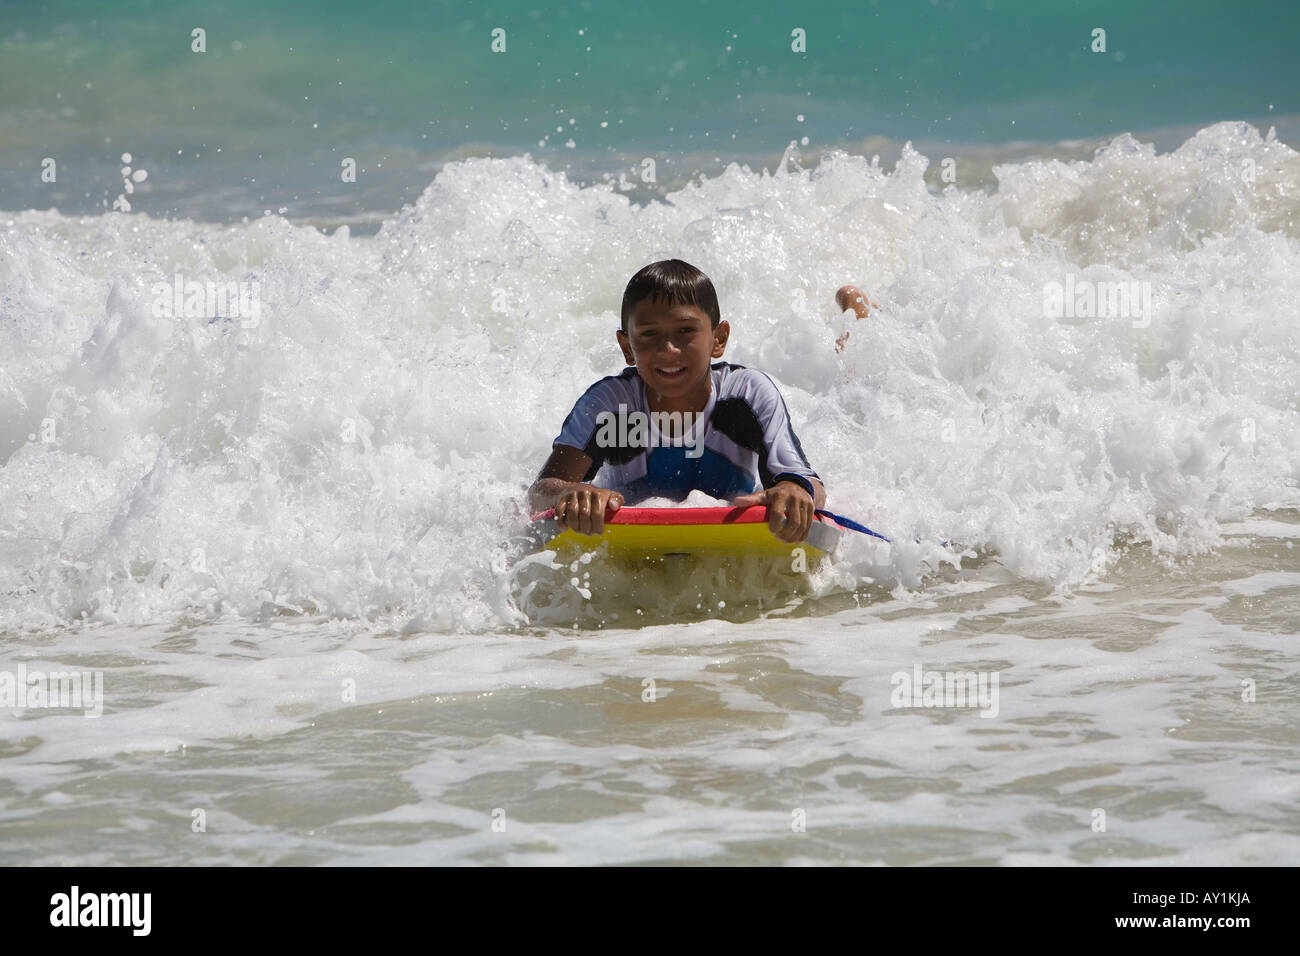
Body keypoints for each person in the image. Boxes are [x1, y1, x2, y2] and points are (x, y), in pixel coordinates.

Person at [530, 259, 857, 544]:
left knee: (847, 390)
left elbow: (806, 482)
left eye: (685, 330)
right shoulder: (611, 407)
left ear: (719, 339)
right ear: (627, 346)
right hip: (637, 532)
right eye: (649, 334)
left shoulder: (744, 397)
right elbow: (539, 493)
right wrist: (570, 494)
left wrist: (795, 492)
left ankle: (855, 326)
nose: (668, 349)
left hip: (728, 526)